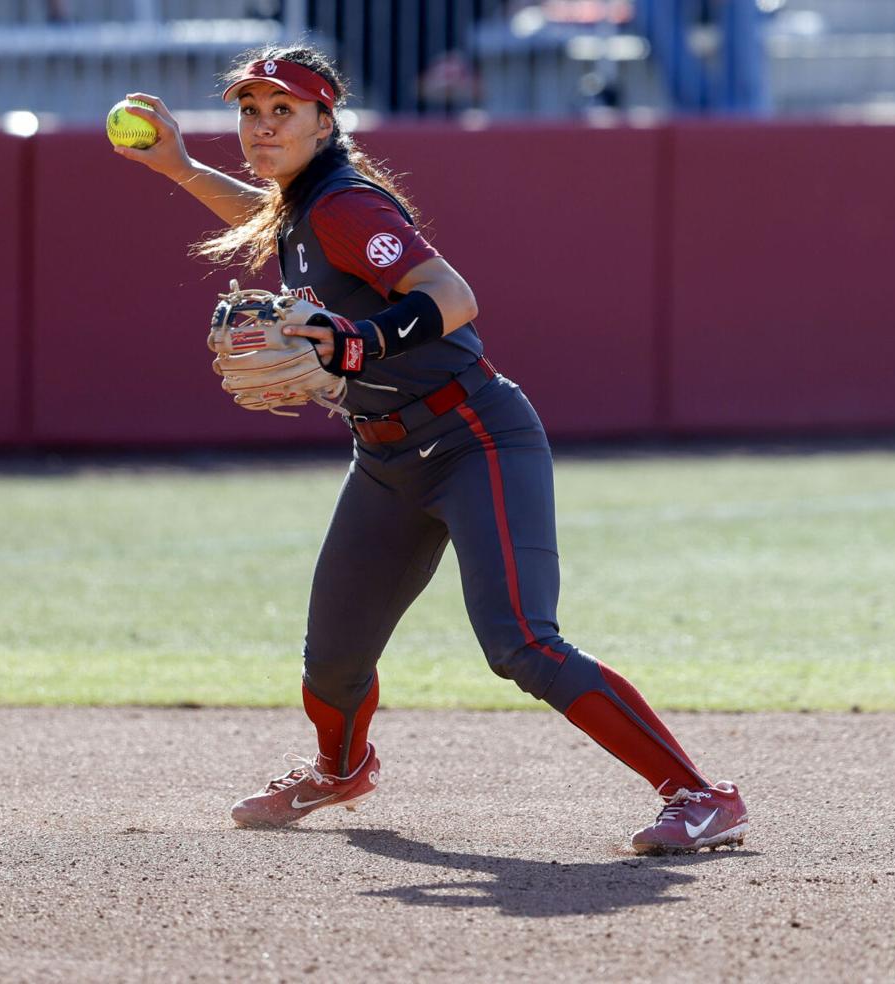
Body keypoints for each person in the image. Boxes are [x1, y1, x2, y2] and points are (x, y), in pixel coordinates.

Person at [113, 45, 748, 854]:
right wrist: (176, 165)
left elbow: (452, 298)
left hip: (474, 435)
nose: (263, 127)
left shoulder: (344, 204)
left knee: (520, 642)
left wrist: (352, 343)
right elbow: (261, 217)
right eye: (250, 110)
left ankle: (699, 793)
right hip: (385, 458)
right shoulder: (301, 206)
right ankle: (341, 770)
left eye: (284, 111)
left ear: (324, 120)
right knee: (333, 657)